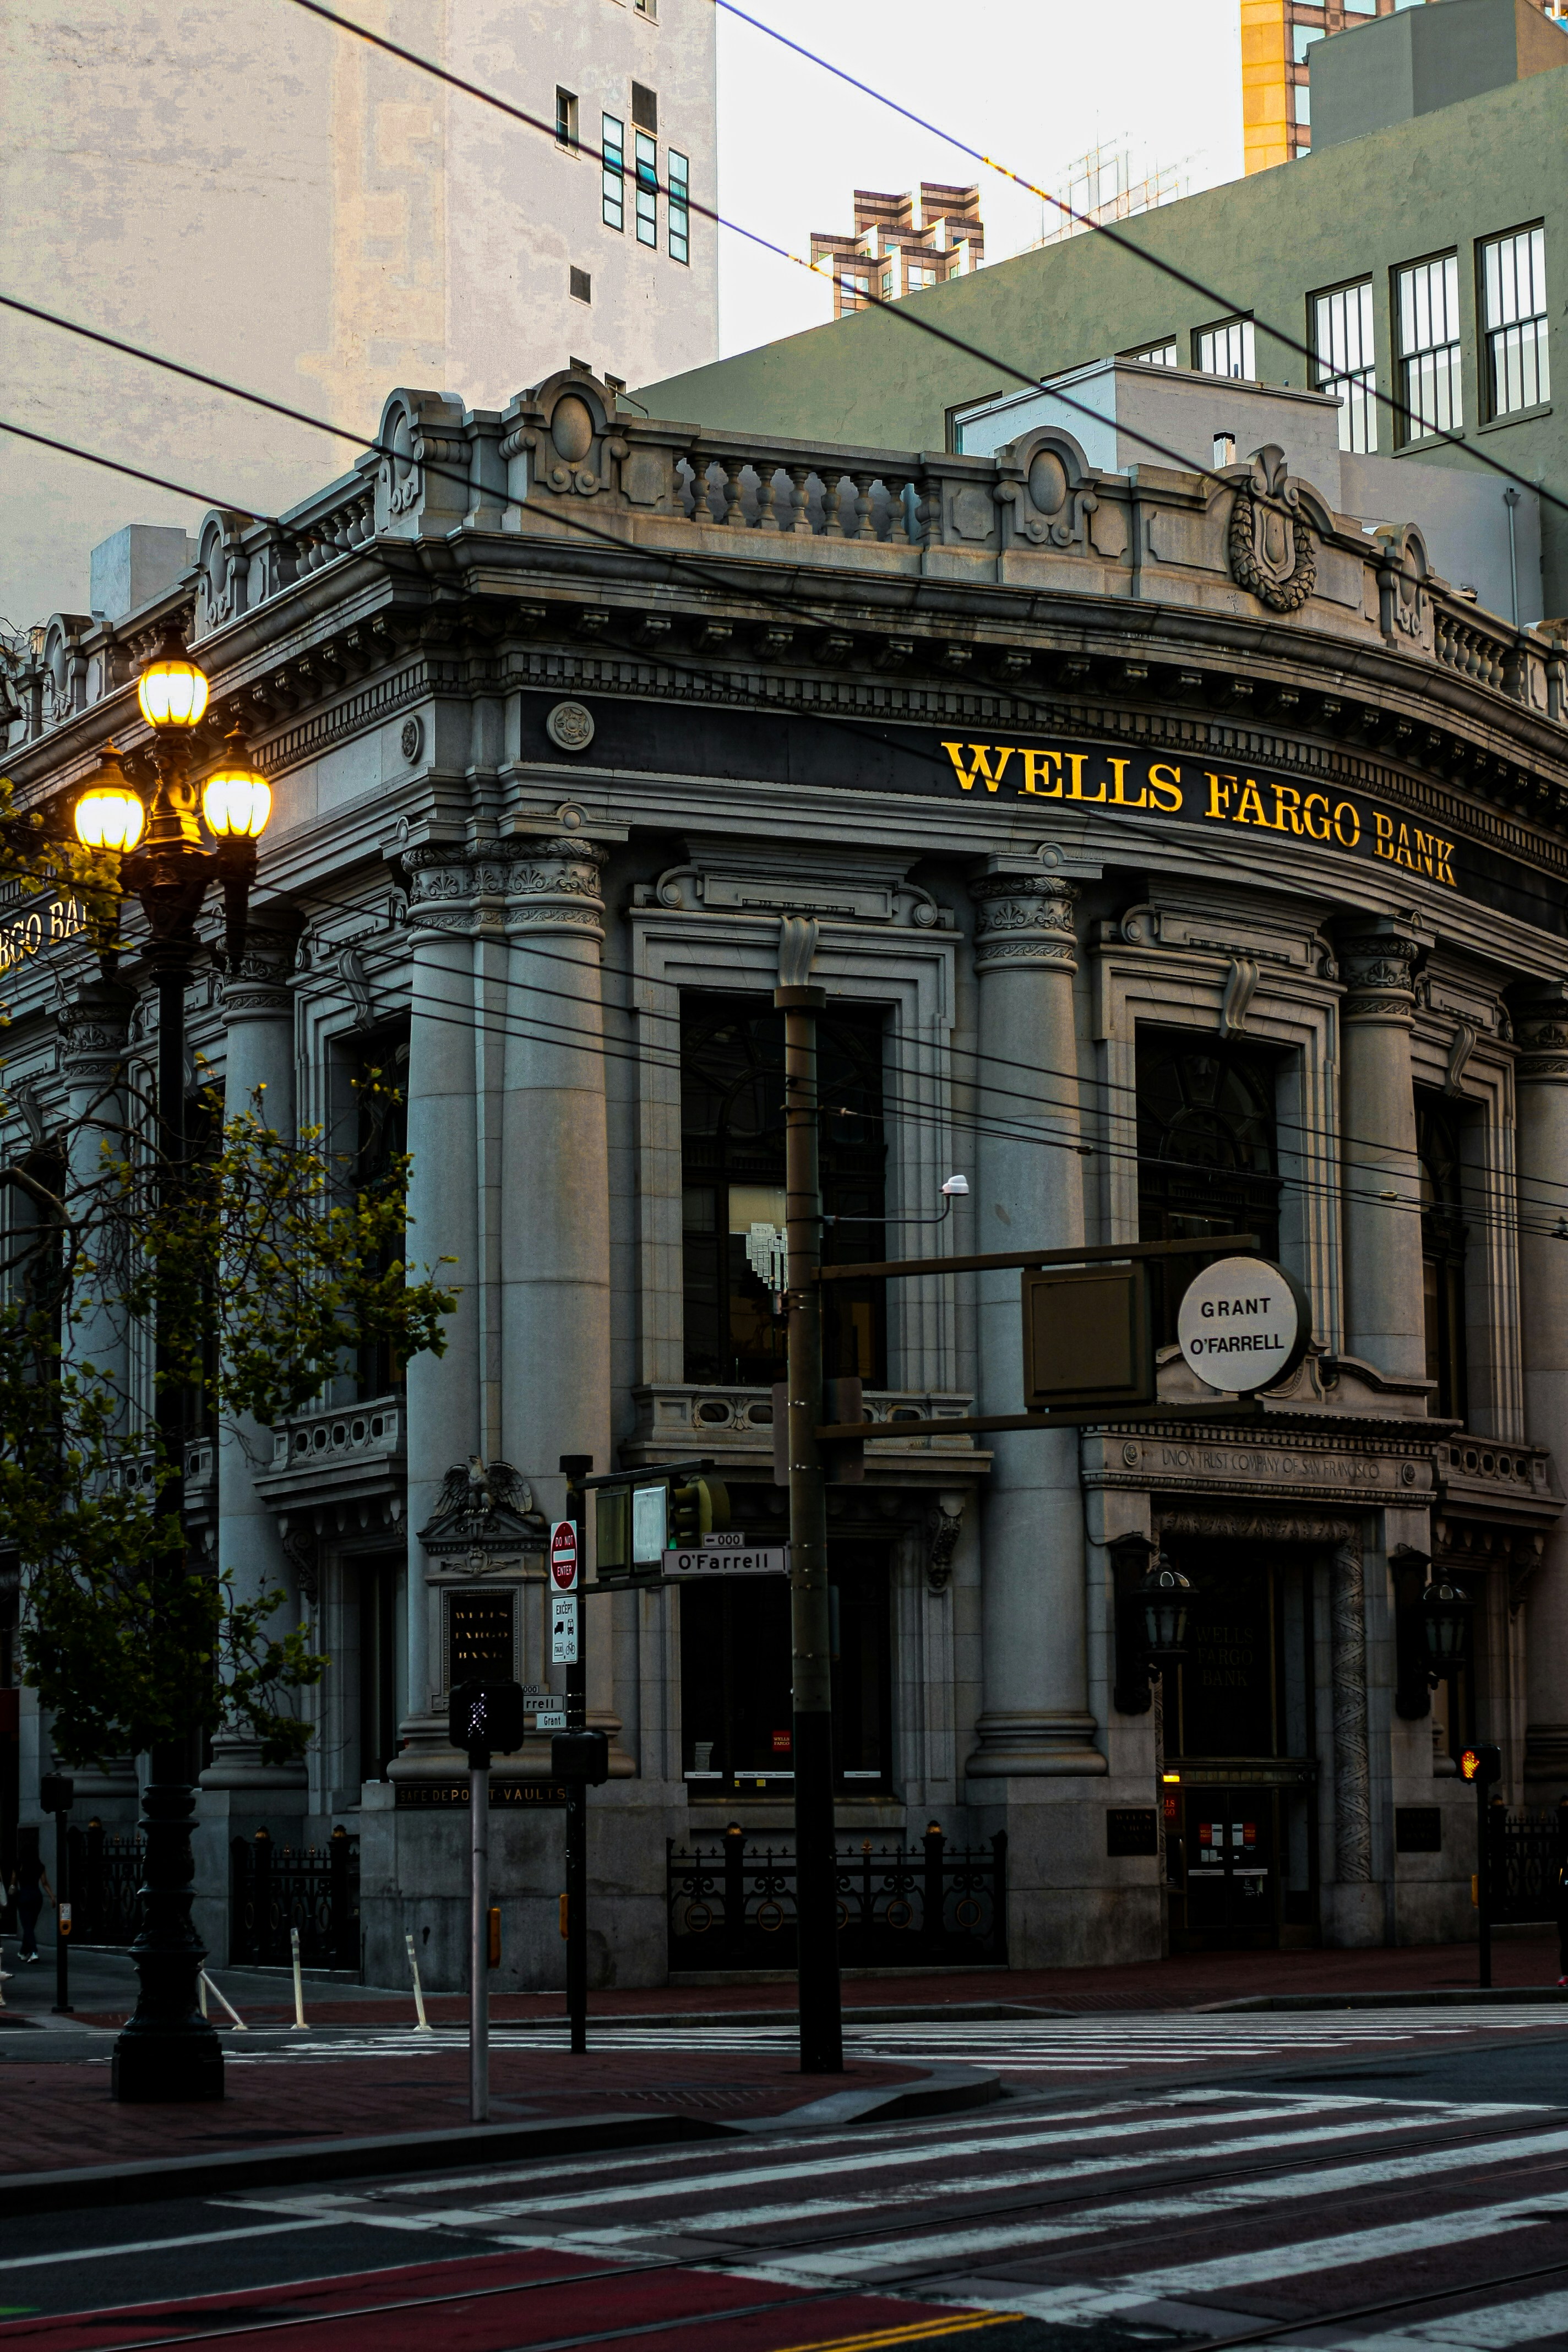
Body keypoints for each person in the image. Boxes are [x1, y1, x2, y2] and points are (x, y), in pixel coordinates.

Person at [7, 1832, 51, 1964]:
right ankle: (23, 1952)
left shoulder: (19, 1866)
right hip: (37, 1897)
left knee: (27, 1926)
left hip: (24, 1897)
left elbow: (13, 1883)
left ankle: (34, 1952)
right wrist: (52, 1897)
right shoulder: (40, 1866)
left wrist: (11, 1893)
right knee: (30, 1926)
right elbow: (44, 1883)